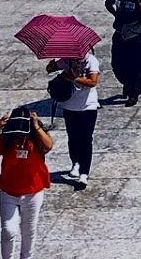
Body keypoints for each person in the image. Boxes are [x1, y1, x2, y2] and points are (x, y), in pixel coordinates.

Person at [0, 106, 53, 259]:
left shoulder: (35, 137)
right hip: (8, 192)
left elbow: (48, 146)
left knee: (29, 230)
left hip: (33, 192)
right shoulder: (7, 138)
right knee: (8, 230)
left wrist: (36, 126)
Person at [45, 51, 100, 187]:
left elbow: (93, 82)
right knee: (73, 137)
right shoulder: (66, 60)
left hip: (88, 106)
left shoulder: (91, 61)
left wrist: (73, 78)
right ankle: (75, 163)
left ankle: (84, 173)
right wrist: (53, 64)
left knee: (86, 139)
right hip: (69, 106)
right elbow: (50, 69)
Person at [104, 0, 141, 105]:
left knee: (136, 64)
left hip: (135, 34)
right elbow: (108, 3)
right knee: (117, 63)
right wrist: (116, 15)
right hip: (120, 32)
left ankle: (133, 93)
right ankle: (127, 83)